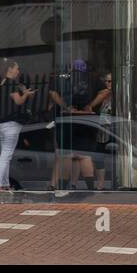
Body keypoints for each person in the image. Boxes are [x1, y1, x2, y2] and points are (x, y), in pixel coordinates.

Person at [48, 58, 96, 191]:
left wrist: (65, 106)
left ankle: (61, 187)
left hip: (67, 119)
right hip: (84, 120)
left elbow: (52, 92)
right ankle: (87, 187)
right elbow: (104, 91)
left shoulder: (65, 78)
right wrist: (90, 106)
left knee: (66, 155)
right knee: (83, 155)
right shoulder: (90, 80)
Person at [0, 60, 35, 192]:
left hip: (0, 124)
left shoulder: (2, 82)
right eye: (17, 68)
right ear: (10, 69)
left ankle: (4, 184)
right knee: (6, 154)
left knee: (6, 154)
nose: (18, 71)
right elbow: (18, 101)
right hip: (10, 124)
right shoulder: (11, 83)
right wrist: (26, 94)